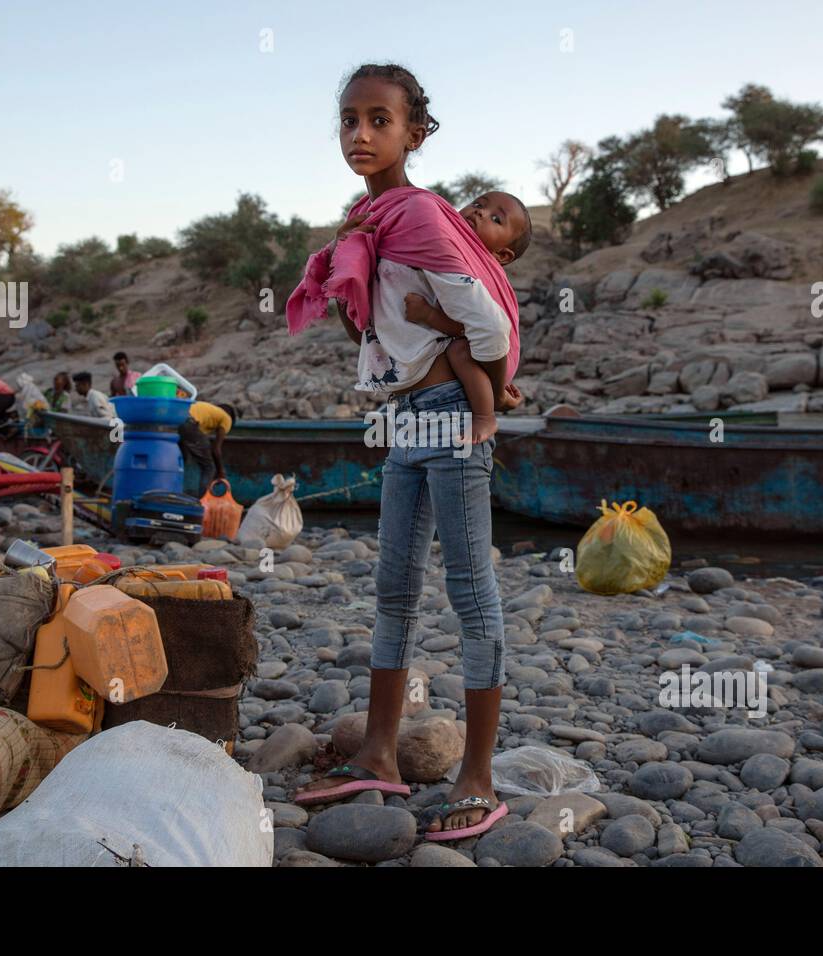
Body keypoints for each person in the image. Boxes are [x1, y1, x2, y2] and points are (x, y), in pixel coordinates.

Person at [287, 65, 522, 839]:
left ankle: (479, 777)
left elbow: (485, 328)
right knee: (392, 591)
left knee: (469, 592)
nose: (360, 133)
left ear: (413, 132)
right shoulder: (371, 219)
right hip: (402, 422)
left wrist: (443, 334)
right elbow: (376, 333)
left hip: (451, 417)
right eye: (348, 119)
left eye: (379, 120)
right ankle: (380, 755)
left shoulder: (417, 214)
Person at [401, 190, 531, 443]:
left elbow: (468, 328)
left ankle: (485, 416)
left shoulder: (477, 268)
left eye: (496, 219)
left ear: (502, 255)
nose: (480, 211)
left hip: (496, 354)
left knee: (459, 351)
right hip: (480, 350)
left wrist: (427, 314)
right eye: (477, 204)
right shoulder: (459, 256)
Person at [179, 400, 238, 495]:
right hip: (189, 422)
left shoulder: (208, 410)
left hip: (176, 418)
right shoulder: (227, 418)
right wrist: (220, 471)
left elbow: (194, 438)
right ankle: (203, 501)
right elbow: (216, 449)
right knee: (208, 467)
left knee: (181, 460)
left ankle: (174, 491)